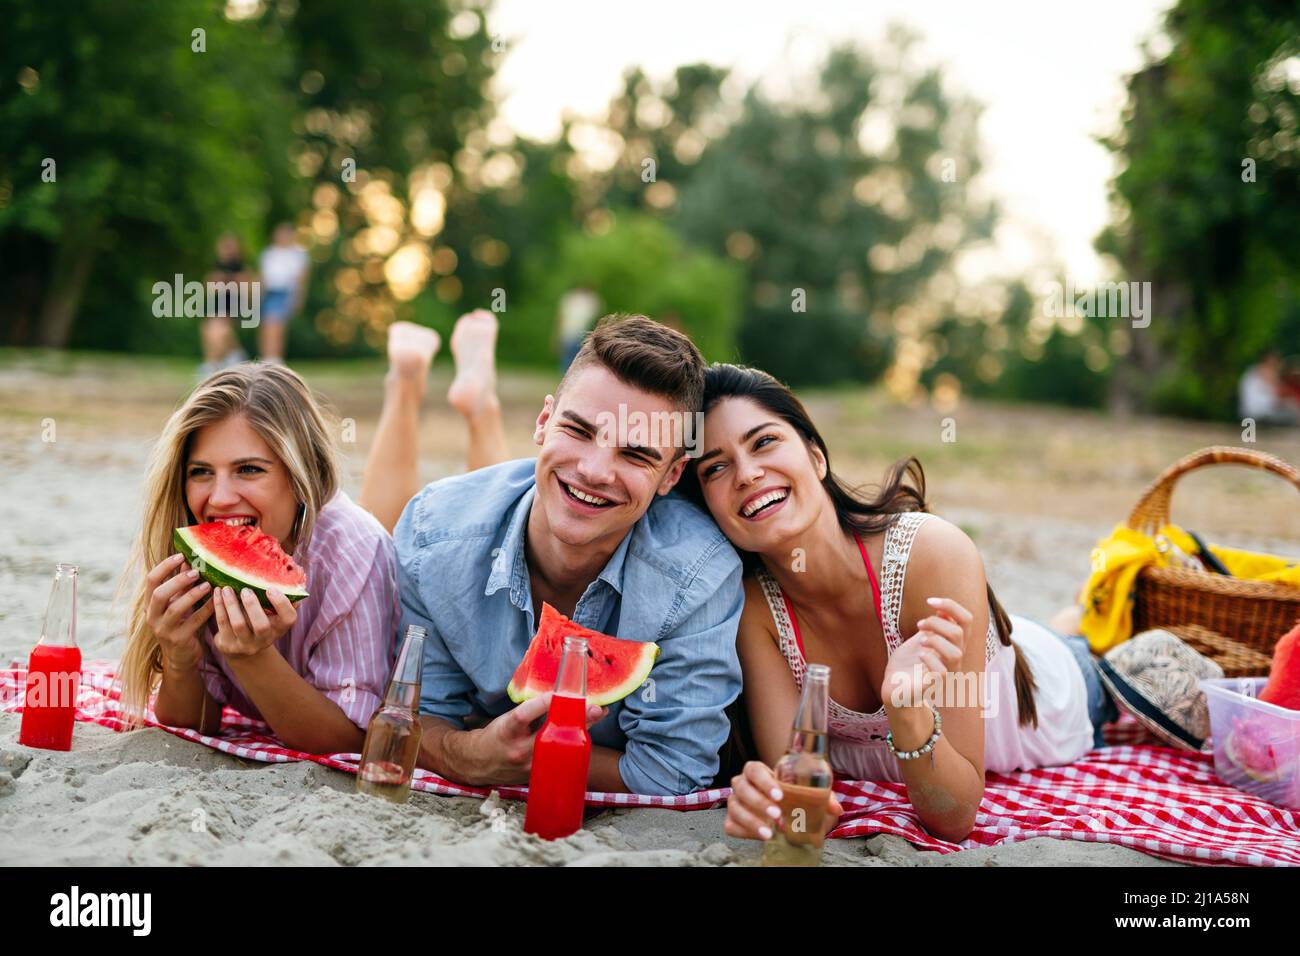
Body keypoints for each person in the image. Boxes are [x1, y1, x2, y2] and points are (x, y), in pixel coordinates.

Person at [677, 364, 1118, 844]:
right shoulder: (755, 610)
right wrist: (784, 812)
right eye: (714, 468)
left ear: (816, 457)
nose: (747, 473)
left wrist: (906, 710)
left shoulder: (933, 554)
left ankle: (1084, 619)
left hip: (1058, 690)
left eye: (763, 442)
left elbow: (954, 820)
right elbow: (802, 792)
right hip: (1011, 654)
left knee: (1108, 657)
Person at [389, 314, 744, 796]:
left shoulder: (699, 574)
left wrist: (522, 758)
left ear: (671, 476)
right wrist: (470, 755)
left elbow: (673, 771)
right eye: (578, 431)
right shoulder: (434, 532)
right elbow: (414, 716)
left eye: (635, 455)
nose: (595, 471)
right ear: (543, 421)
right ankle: (416, 385)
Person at [119, 363, 397, 755]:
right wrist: (179, 658)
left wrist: (251, 657)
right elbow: (194, 722)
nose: (218, 499)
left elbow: (350, 738)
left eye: (248, 470)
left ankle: (405, 384)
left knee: (395, 513)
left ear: (306, 476)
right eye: (200, 472)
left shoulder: (352, 552)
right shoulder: (192, 546)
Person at [256, 223, 310, 363]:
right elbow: (262, 277)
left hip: (285, 293)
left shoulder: (298, 254)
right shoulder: (269, 253)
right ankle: (266, 357)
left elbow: (302, 279)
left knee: (276, 324)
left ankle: (274, 358)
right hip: (268, 293)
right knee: (266, 326)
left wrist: (298, 297)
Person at [199, 233, 250, 378]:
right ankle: (234, 356)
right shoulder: (217, 266)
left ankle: (211, 365)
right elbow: (209, 286)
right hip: (217, 308)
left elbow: (246, 286)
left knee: (217, 331)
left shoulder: (241, 267)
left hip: (234, 308)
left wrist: (224, 282)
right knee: (210, 331)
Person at [1239, 351, 1299, 426]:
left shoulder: (1251, 371)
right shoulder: (1265, 372)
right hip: (1262, 413)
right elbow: (1279, 395)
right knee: (1293, 408)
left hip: (1248, 413)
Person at [554, 286, 600, 372]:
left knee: (567, 359)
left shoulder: (570, 298)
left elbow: (561, 318)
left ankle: (566, 379)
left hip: (569, 333)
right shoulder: (592, 300)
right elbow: (596, 319)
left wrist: (557, 335)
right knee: (577, 360)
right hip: (581, 333)